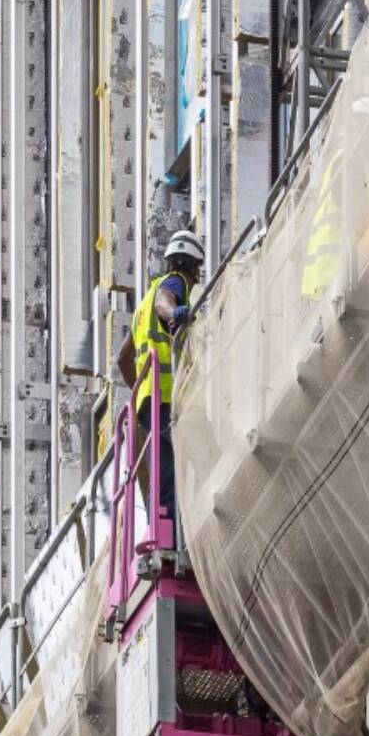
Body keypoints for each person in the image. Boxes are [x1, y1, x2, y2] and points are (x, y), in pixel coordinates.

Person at [118, 227, 204, 530]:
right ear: (191, 266)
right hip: (167, 396)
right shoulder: (174, 282)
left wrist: (140, 390)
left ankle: (162, 527)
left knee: (162, 466)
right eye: (196, 273)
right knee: (186, 459)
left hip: (148, 400)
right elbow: (164, 303)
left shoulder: (141, 305)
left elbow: (122, 358)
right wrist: (175, 314)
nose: (194, 281)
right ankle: (174, 530)